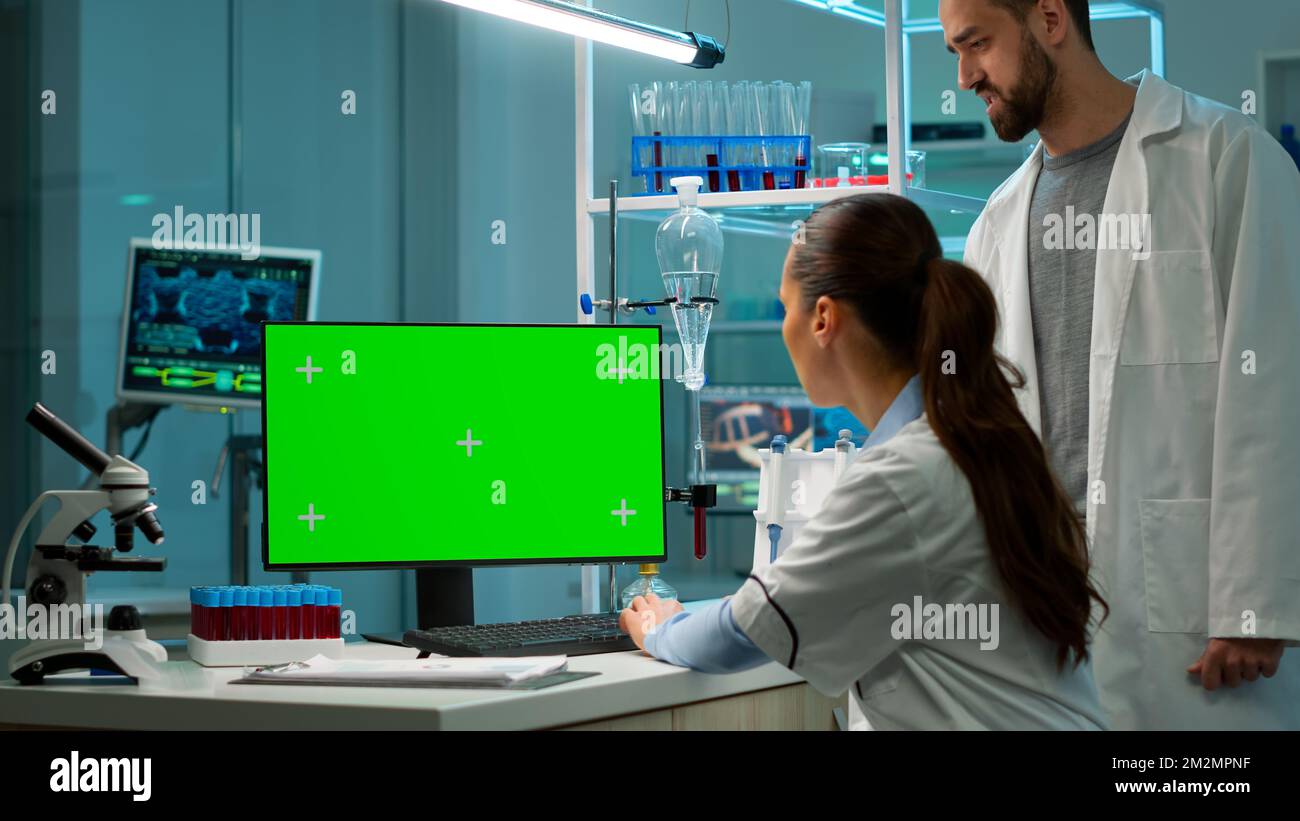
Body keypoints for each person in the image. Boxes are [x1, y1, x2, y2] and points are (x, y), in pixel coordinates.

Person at [619, 193, 1109, 731]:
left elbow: (746, 631)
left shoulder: (904, 477)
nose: (785, 326)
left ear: (824, 318)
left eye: (786, 307)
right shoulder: (970, 438)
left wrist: (662, 628)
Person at [940, 0, 1300, 728]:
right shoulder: (996, 223)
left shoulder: (1225, 155)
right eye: (955, 50)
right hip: (1047, 622)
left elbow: (1275, 383)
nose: (964, 74)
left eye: (977, 43)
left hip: (1197, 622)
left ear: (1048, 19)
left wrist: (1256, 596)